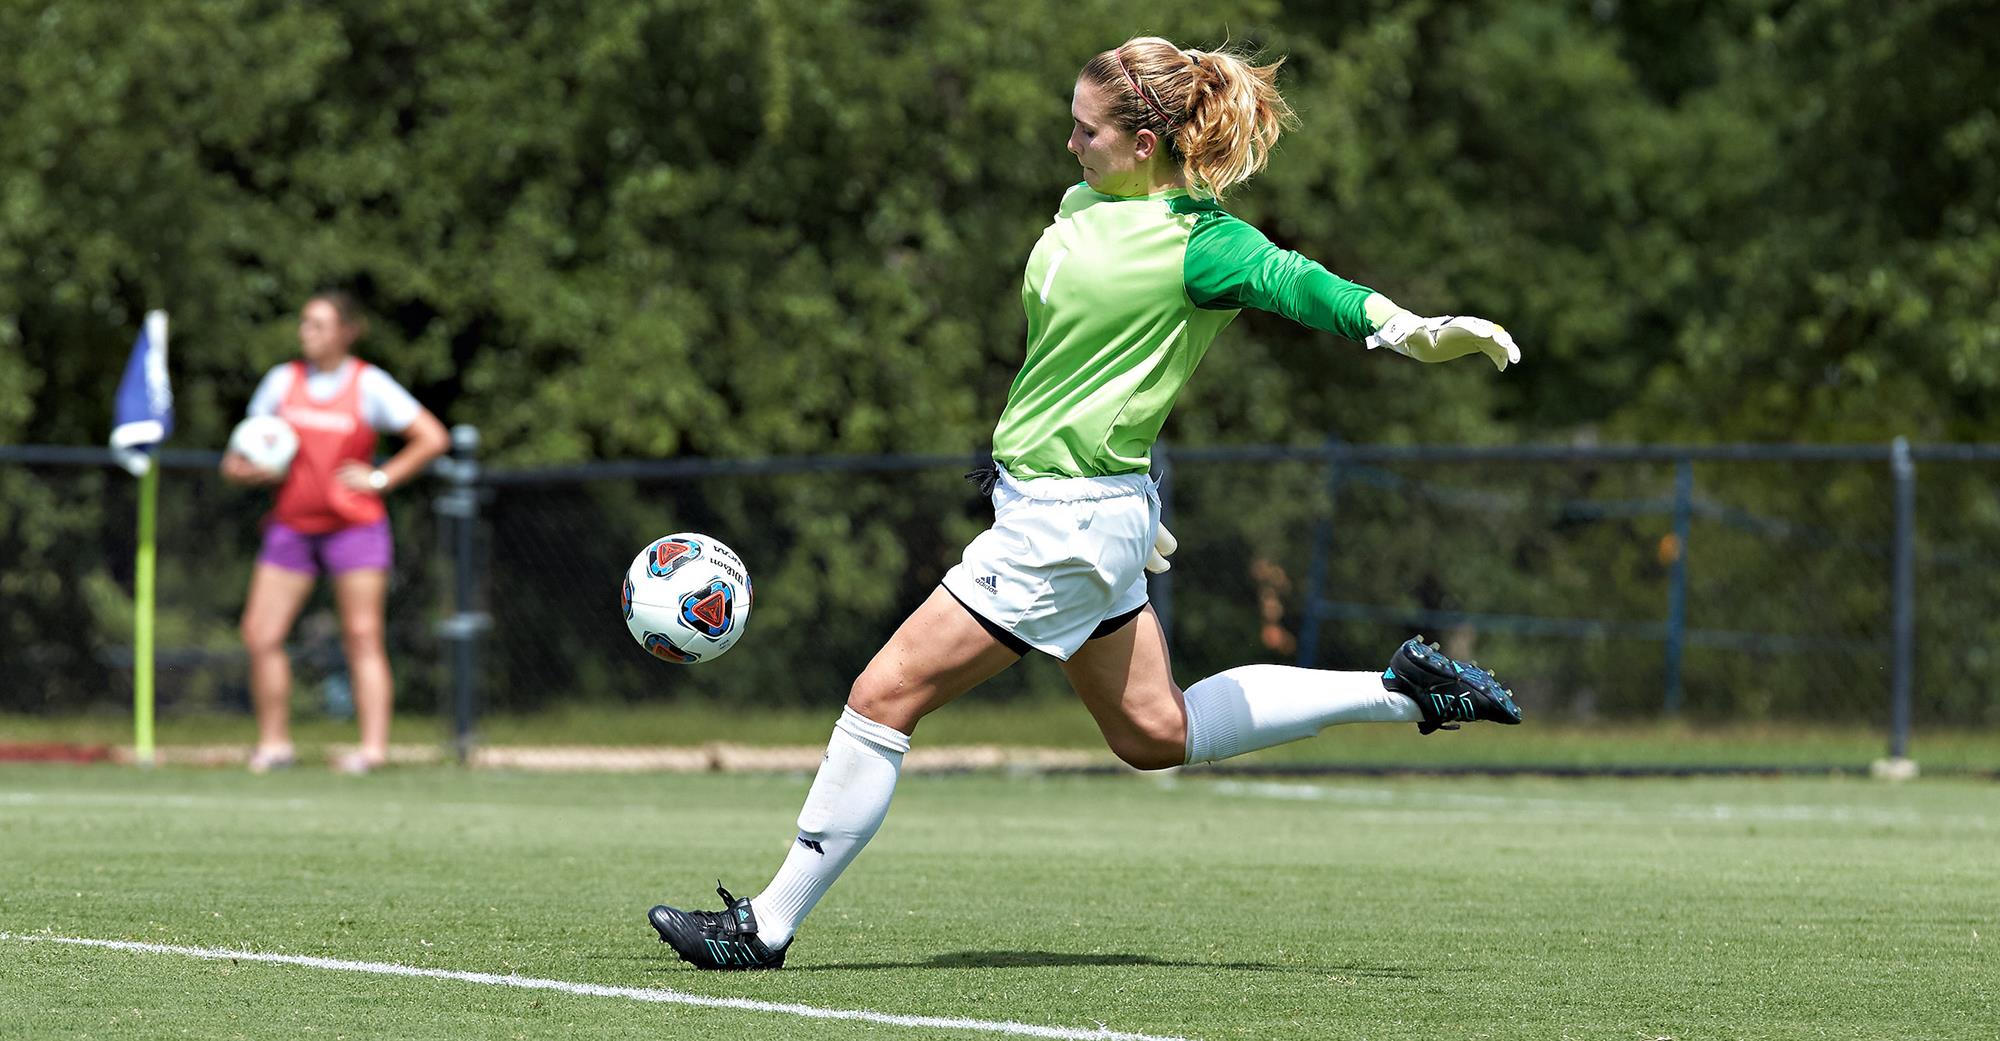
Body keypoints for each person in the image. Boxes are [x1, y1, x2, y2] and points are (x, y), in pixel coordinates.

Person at [647, 36, 1524, 969]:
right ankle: (1400, 691)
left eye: (1086, 129)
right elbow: (1074, 363)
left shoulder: (1204, 241)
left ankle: (767, 924)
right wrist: (1121, 493)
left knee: (881, 696)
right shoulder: (1084, 203)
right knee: (1155, 732)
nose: (1070, 144)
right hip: (1076, 510)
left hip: (1066, 527)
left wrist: (1403, 327)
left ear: (1144, 142)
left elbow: (1297, 282)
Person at [221, 291, 450, 774]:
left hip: (354, 527)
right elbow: (237, 455)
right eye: (305, 323)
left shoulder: (370, 385)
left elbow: (433, 437)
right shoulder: (282, 382)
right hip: (292, 526)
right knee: (260, 633)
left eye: (319, 324)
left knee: (362, 635)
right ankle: (275, 744)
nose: (307, 332)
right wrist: (245, 471)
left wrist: (382, 478)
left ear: (347, 331)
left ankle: (372, 751)